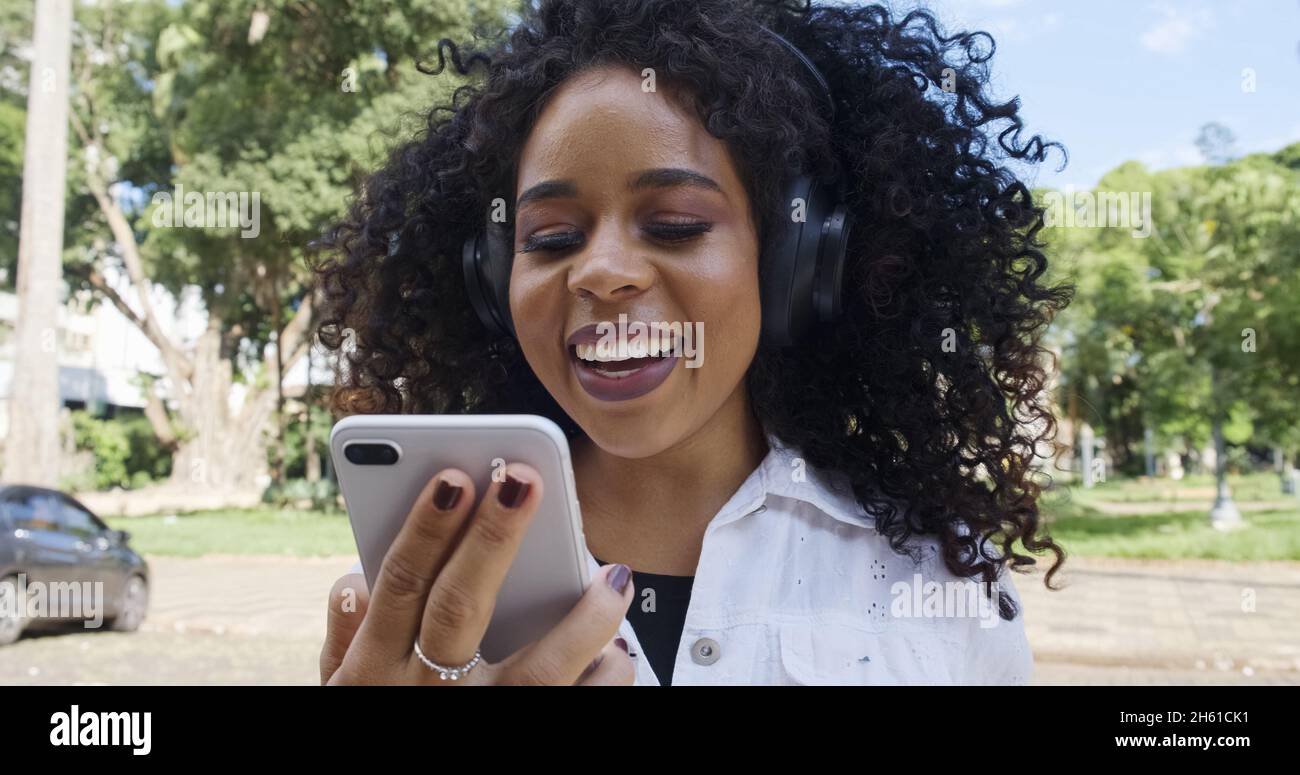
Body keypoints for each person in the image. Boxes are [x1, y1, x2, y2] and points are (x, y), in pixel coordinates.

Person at [312, 0, 1071, 686]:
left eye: (675, 223)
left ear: (795, 264)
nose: (601, 271)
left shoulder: (942, 582)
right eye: (551, 238)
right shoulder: (414, 600)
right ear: (492, 279)